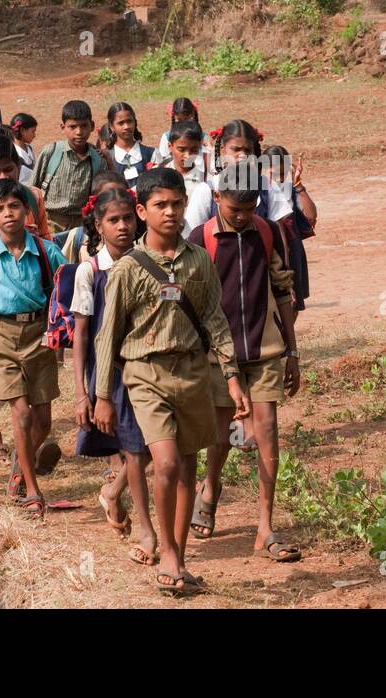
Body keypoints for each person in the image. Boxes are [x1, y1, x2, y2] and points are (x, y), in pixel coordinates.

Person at [93, 167, 238, 596]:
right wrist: (102, 395)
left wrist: (231, 377)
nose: (170, 212)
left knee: (189, 462)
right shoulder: (128, 269)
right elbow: (109, 336)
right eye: (160, 205)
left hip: (193, 372)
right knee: (168, 462)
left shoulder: (198, 260)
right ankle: (169, 552)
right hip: (145, 374)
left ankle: (181, 554)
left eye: (177, 203)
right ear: (141, 211)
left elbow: (215, 318)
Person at [188, 159, 302, 563]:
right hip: (218, 356)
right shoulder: (200, 238)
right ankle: (211, 487)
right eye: (234, 209)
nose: (241, 217)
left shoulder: (268, 233)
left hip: (265, 349)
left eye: (249, 209)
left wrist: (292, 351)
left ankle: (265, 526)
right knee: (221, 437)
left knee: (268, 431)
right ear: (217, 198)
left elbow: (283, 291)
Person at [0, 179, 66, 515]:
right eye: (0, 209)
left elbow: (65, 292)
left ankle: (18, 473)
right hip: (0, 335)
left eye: (14, 206)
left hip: (40, 336)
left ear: (28, 210)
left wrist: (60, 336)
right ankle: (32, 489)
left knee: (43, 420)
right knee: (20, 413)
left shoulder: (48, 252)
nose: (8, 214)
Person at [70, 187, 157, 564]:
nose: (123, 227)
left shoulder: (148, 261)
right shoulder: (90, 271)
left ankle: (113, 491)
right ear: (98, 226)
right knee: (136, 448)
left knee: (154, 444)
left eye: (128, 219)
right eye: (113, 220)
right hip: (111, 373)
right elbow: (81, 334)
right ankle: (146, 528)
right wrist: (82, 391)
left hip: (149, 366)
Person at [33, 100, 106, 233]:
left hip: (81, 226)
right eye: (72, 127)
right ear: (63, 127)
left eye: (84, 126)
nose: (79, 132)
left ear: (92, 126)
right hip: (49, 224)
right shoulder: (51, 152)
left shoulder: (97, 160)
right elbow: (33, 189)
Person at [263, 144, 316, 313]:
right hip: (267, 254)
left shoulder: (290, 191)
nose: (278, 179)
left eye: (282, 174)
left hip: (291, 252)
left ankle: (287, 338)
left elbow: (311, 215)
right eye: (273, 174)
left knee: (292, 305)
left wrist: (298, 185)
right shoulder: (257, 193)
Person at [160, 120, 212, 236]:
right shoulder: (160, 173)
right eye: (181, 149)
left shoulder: (206, 177)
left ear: (200, 147)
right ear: (170, 146)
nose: (188, 156)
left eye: (194, 150)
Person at [154, 97, 207, 181]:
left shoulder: (203, 138)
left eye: (186, 119)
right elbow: (164, 159)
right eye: (179, 120)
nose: (183, 123)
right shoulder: (166, 137)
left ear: (192, 115)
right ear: (170, 146)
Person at [106, 101, 156, 189]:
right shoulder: (106, 157)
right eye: (121, 123)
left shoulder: (151, 154)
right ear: (111, 126)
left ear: (135, 122)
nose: (126, 126)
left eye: (129, 121)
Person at [9, 112, 38, 184]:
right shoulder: (13, 152)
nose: (34, 135)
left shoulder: (29, 148)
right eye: (33, 131)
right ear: (22, 131)